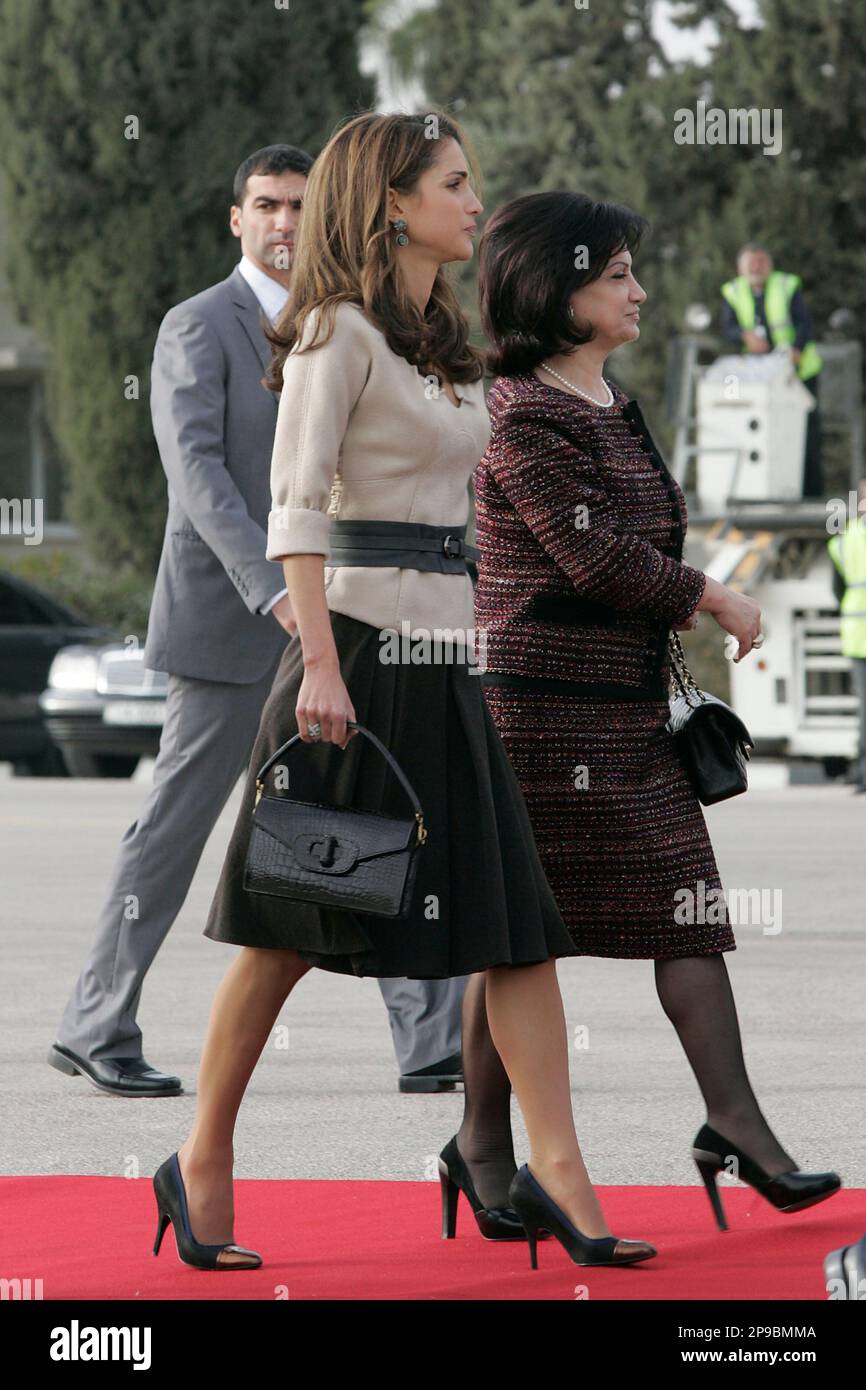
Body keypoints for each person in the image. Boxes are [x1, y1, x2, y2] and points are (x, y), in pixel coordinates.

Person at [151, 112, 658, 1273]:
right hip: (359, 667)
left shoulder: (437, 338)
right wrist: (321, 663)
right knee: (285, 935)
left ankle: (561, 1174)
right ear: (391, 202)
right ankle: (203, 1160)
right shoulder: (331, 332)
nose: (474, 202)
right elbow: (295, 507)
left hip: (451, 665)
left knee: (515, 933)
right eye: (455, 183)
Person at [48, 143, 465, 1100]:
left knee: (363, 813)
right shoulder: (198, 327)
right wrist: (274, 590)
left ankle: (428, 1039)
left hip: (343, 621)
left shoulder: (351, 325)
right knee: (174, 833)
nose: (283, 222)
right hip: (234, 627)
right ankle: (95, 1023)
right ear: (237, 219)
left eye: (299, 206)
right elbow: (197, 481)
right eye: (266, 205)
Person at [472, 191, 841, 1234]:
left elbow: (640, 533)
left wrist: (684, 593)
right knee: (516, 939)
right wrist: (711, 595)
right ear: (557, 289)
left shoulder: (605, 400)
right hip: (540, 718)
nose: (638, 290)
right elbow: (590, 555)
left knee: (688, 908)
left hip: (623, 711)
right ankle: (483, 1145)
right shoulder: (520, 412)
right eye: (616, 275)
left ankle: (732, 1121)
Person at [721, 243, 824, 496]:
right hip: (760, 378)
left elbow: (803, 323)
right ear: (740, 268)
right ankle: (767, 491)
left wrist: (797, 350)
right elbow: (728, 328)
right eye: (750, 264)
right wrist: (745, 337)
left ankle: (810, 494)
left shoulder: (787, 285)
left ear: (769, 265)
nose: (756, 268)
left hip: (798, 374)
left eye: (760, 262)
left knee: (805, 433)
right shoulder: (732, 291)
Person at [828, 479, 866, 794]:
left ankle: (863, 770)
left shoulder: (844, 538)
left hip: (856, 632)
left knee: (863, 707)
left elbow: (836, 588)